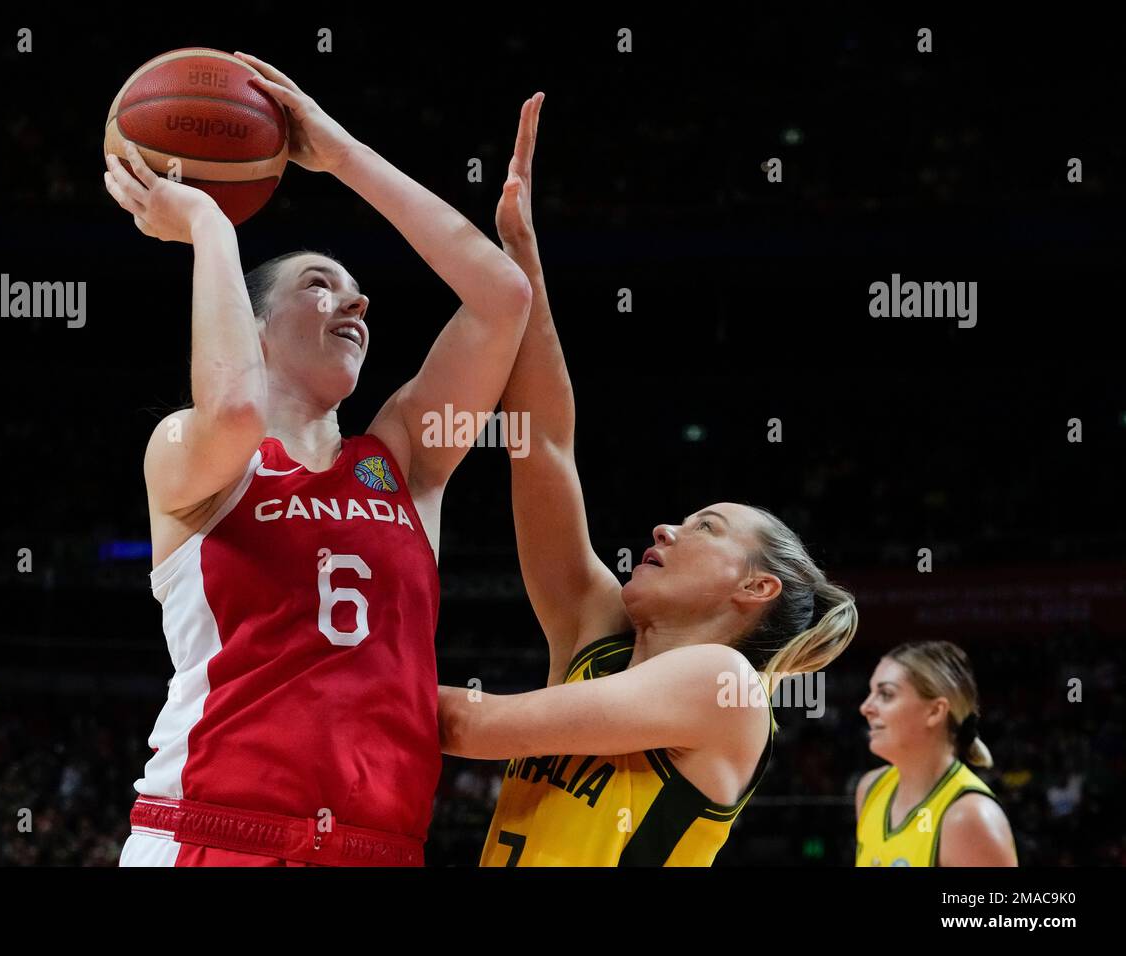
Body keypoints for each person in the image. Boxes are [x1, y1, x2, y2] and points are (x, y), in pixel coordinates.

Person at [104, 53, 535, 866]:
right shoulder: (184, 449)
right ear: (254, 324)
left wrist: (337, 152)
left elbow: (502, 296)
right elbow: (234, 407)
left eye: (357, 290)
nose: (356, 301)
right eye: (319, 284)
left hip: (380, 848)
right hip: (213, 832)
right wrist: (207, 228)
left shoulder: (404, 458)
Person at [437, 96, 858, 865]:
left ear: (755, 588)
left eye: (707, 527)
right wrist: (522, 268)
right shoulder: (595, 639)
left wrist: (329, 672)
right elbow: (546, 446)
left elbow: (473, 727)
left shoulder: (725, 685)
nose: (666, 528)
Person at [854, 640, 1017, 866]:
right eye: (871, 693)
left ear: (934, 711)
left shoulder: (969, 817)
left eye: (886, 694)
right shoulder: (870, 789)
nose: (866, 707)